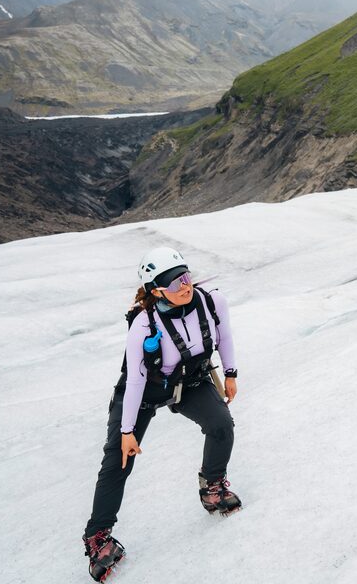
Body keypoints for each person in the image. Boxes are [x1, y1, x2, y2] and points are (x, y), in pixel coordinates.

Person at [82, 247, 241, 582]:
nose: (185, 286)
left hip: (191, 382)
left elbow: (224, 336)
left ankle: (212, 487)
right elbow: (137, 379)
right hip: (143, 393)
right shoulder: (143, 325)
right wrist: (127, 432)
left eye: (186, 276)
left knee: (221, 425)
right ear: (155, 291)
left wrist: (230, 373)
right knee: (118, 460)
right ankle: (98, 537)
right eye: (174, 283)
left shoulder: (212, 302)